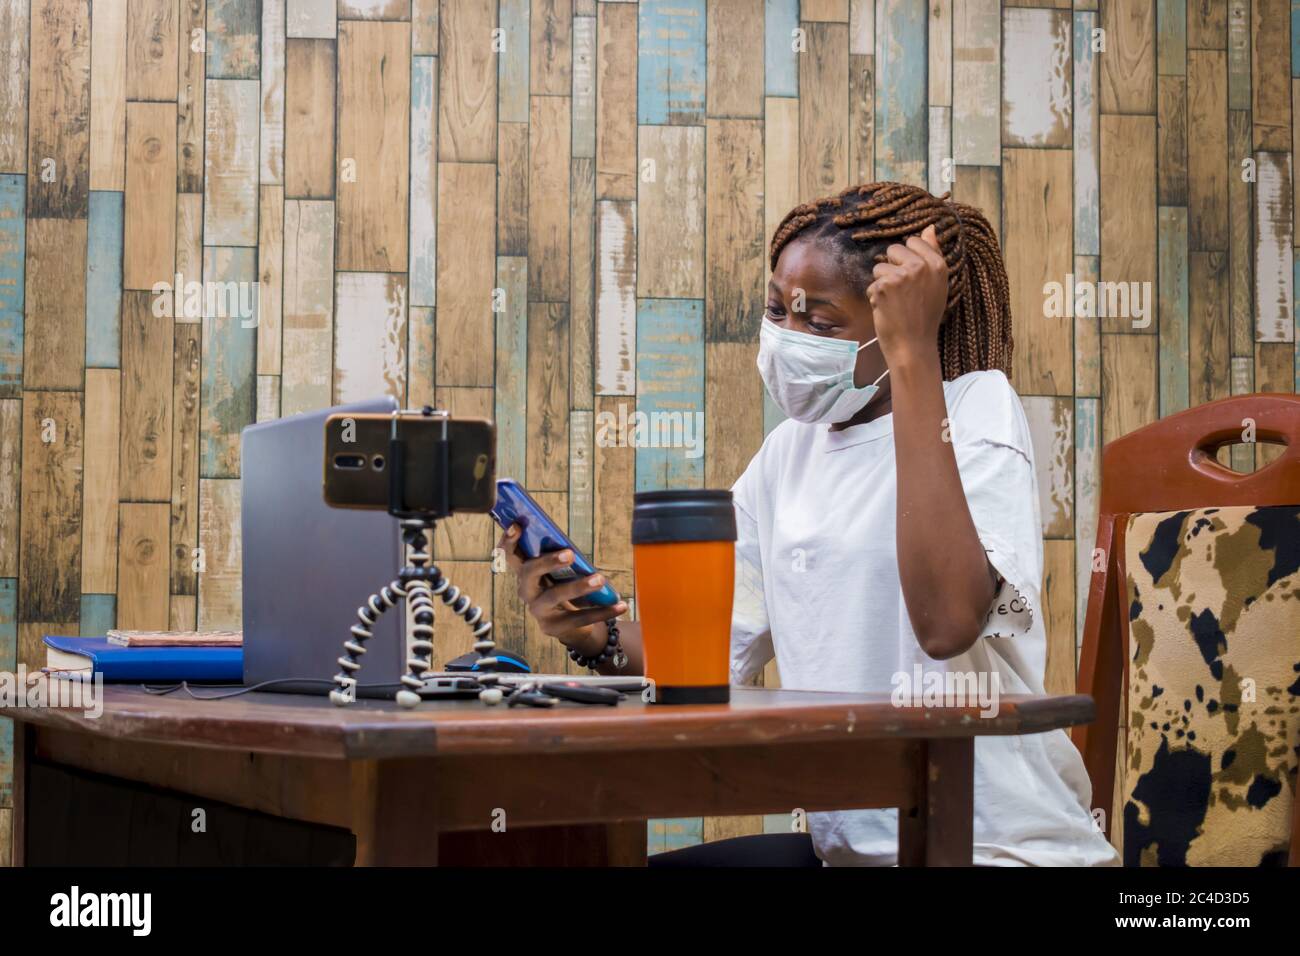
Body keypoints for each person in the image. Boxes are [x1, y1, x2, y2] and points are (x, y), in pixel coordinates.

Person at [498, 181, 1120, 867]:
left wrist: (914, 355)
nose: (789, 341)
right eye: (778, 312)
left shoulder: (975, 408)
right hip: (855, 855)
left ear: (900, 322)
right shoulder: (787, 454)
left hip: (996, 850)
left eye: (821, 324)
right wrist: (596, 634)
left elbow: (947, 623)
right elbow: (702, 659)